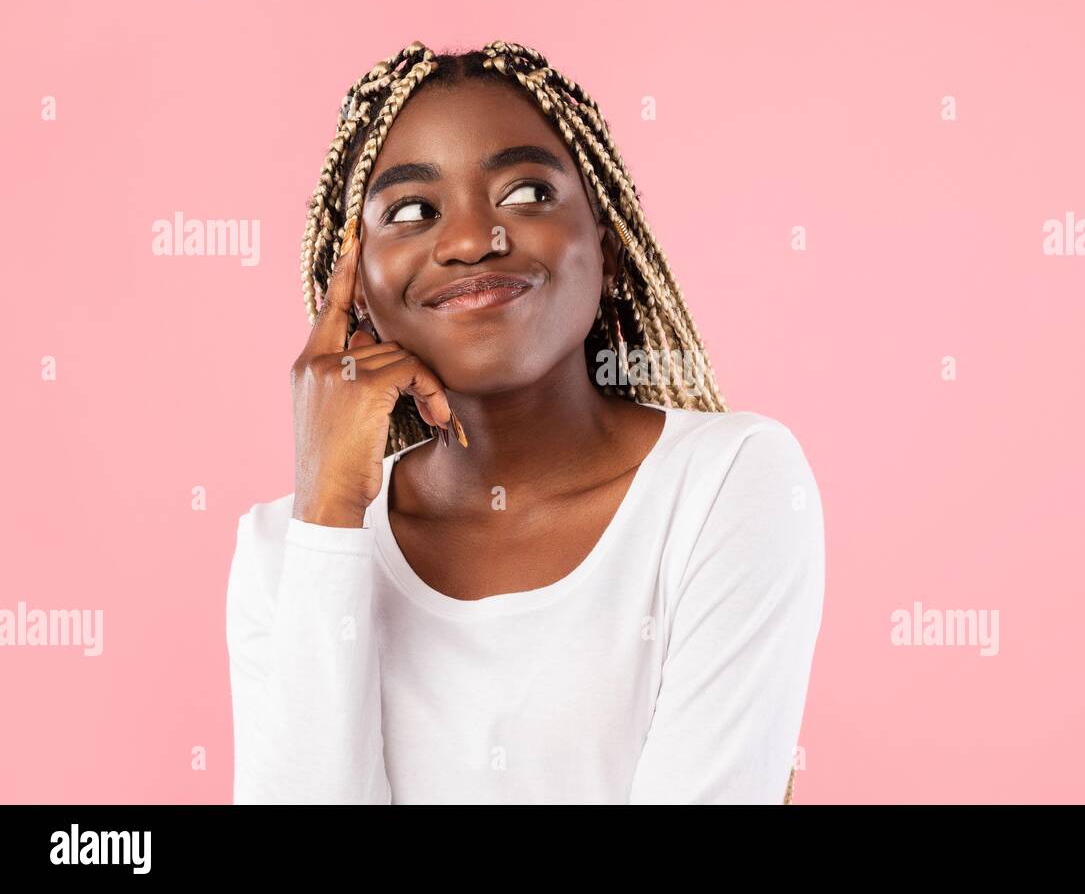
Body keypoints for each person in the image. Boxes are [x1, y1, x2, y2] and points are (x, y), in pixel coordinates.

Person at [225, 41, 825, 803]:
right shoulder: (286, 551)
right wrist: (329, 520)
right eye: (413, 211)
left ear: (606, 246)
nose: (474, 240)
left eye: (527, 194)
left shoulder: (728, 485)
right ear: (358, 288)